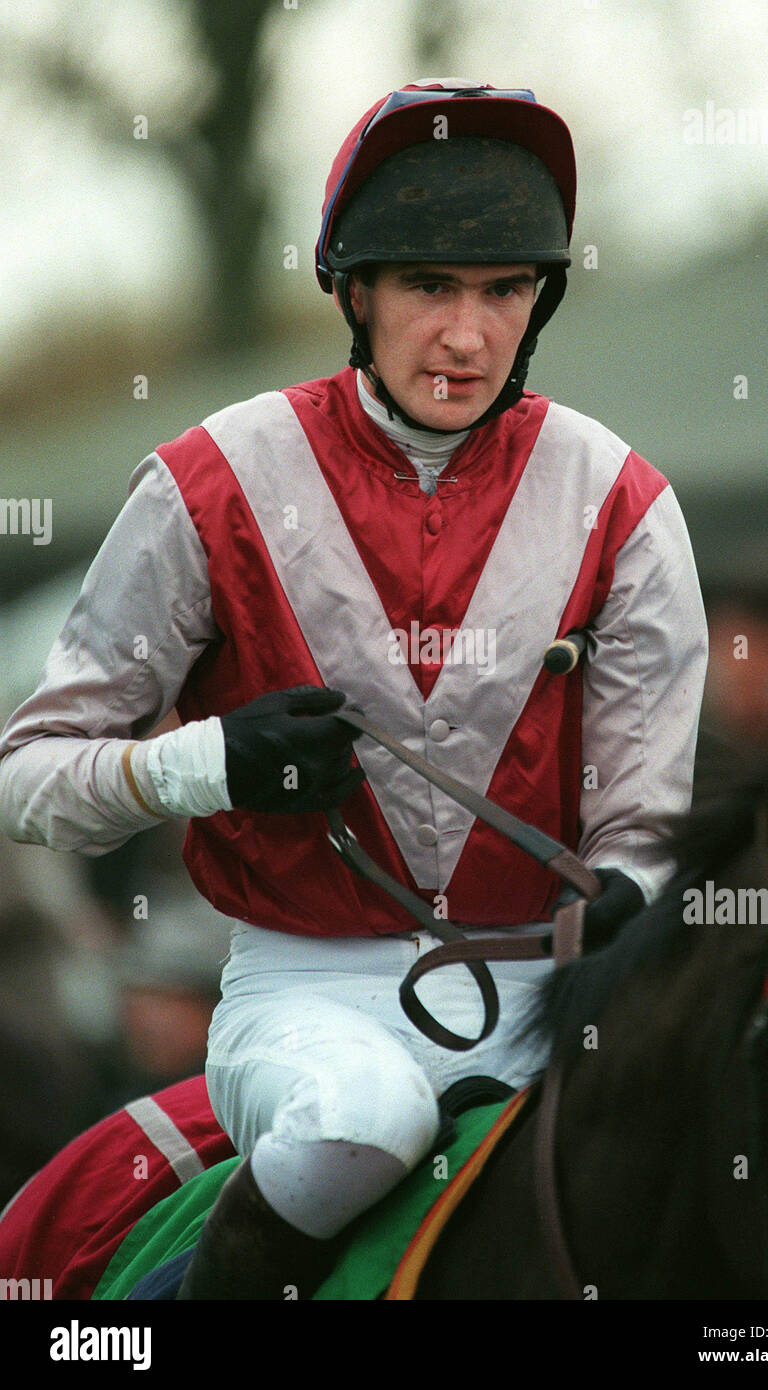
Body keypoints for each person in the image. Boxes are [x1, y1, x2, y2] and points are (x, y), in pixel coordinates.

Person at [0, 79, 708, 1299]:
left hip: (554, 993)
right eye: (430, 285)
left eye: (504, 291)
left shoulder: (627, 504)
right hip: (305, 995)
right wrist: (213, 761)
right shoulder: (209, 478)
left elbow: (643, 828)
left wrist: (640, 897)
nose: (467, 335)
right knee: (362, 1121)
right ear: (352, 290)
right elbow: (28, 782)